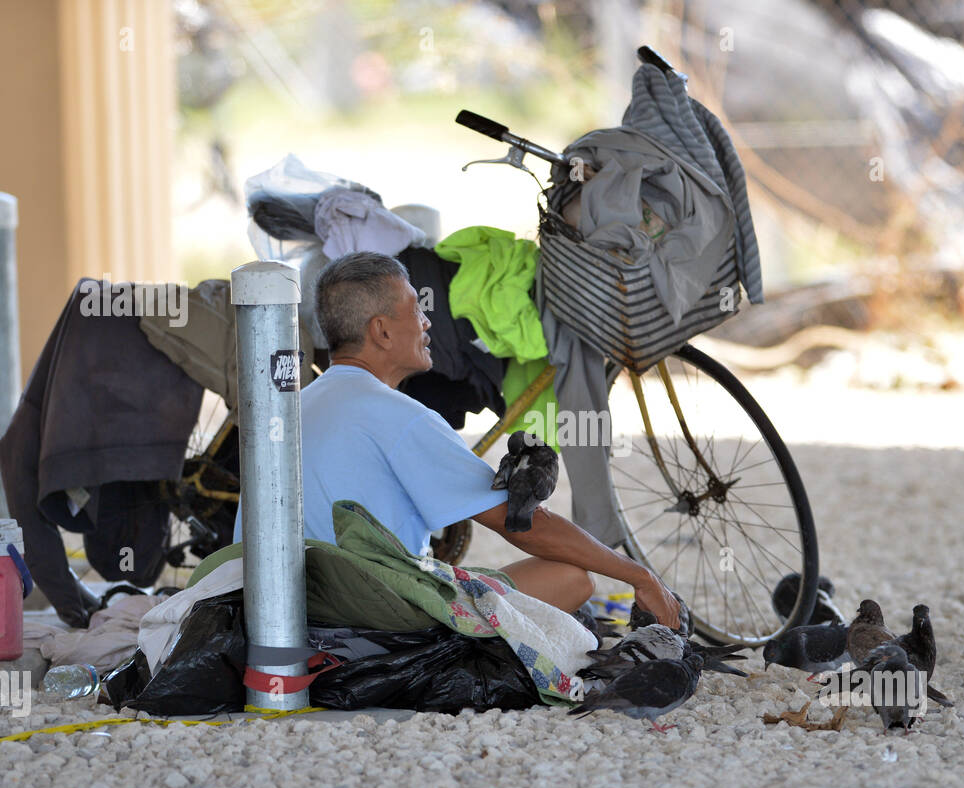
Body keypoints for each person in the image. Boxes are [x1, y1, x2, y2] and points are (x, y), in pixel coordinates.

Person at [234, 251, 680, 625]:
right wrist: (641, 577)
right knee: (573, 577)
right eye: (417, 310)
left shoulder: (298, 405)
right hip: (368, 618)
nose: (428, 323)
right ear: (382, 331)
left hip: (283, 615)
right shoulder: (400, 416)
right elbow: (524, 527)